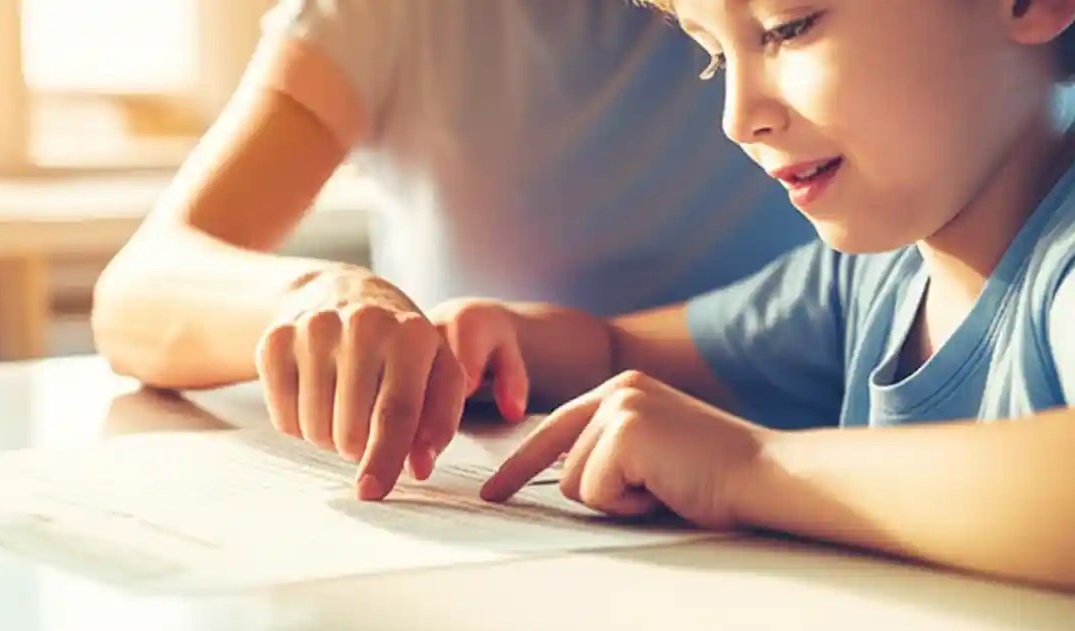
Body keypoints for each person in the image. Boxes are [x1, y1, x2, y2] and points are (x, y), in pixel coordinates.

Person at [411, 0, 1075, 589]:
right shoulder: (873, 278)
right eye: (714, 58)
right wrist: (487, 341)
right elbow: (618, 354)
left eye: (790, 28)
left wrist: (752, 467)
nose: (737, 118)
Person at [91, 1, 812, 488]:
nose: (740, 115)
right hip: (522, 508)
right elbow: (138, 295)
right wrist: (317, 299)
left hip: (823, 491)